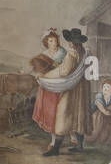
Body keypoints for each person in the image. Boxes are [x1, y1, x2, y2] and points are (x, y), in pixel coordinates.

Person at [38, 27, 92, 156]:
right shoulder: (84, 51)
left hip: (72, 89)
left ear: (71, 42)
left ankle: (55, 149)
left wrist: (45, 76)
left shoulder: (72, 53)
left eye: (69, 41)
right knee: (79, 115)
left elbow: (63, 71)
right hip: (82, 89)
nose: (68, 43)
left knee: (63, 115)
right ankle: (79, 146)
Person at [31, 29, 65, 135]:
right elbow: (38, 69)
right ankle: (53, 139)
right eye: (50, 41)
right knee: (49, 112)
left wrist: (56, 67)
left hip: (59, 84)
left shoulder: (62, 52)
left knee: (61, 111)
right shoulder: (44, 54)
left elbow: (66, 68)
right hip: (47, 85)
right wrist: (38, 74)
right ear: (46, 42)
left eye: (55, 40)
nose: (53, 43)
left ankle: (70, 134)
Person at [91, 77, 111, 147]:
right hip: (94, 116)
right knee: (101, 115)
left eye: (108, 87)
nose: (105, 89)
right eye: (104, 87)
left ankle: (106, 137)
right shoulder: (99, 95)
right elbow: (99, 105)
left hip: (105, 117)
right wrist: (106, 112)